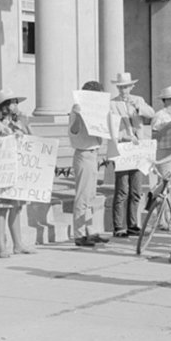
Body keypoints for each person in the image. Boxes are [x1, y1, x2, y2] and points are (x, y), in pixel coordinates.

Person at [108, 72, 155, 238]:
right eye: (121, 87)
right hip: (123, 147)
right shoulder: (112, 103)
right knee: (122, 189)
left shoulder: (138, 100)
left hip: (137, 148)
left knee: (136, 189)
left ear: (131, 87)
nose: (124, 90)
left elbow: (151, 113)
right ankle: (119, 226)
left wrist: (137, 108)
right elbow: (111, 127)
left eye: (126, 87)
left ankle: (133, 224)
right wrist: (123, 136)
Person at [0, 88, 35, 258]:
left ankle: (18, 244)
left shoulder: (19, 124)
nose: (16, 105)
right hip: (4, 171)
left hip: (19, 170)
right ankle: (1, 246)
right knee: (2, 208)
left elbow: (34, 141)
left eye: (16, 102)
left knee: (16, 208)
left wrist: (26, 125)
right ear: (4, 106)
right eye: (13, 102)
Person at [69, 80, 111, 247]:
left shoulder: (95, 110)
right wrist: (79, 115)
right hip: (84, 153)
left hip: (93, 152)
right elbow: (73, 130)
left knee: (90, 195)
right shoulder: (77, 109)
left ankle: (90, 231)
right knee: (82, 195)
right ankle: (79, 234)